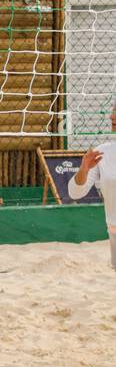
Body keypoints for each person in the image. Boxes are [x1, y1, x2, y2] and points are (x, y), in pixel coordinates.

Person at [68, 103, 116, 268]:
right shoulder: (103, 152)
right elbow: (75, 193)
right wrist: (84, 170)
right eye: (112, 111)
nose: (111, 116)